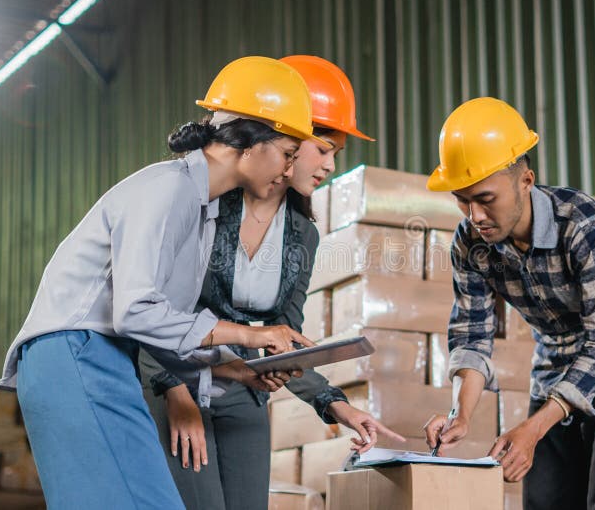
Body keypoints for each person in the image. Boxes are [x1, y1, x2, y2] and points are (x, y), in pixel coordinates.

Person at [0, 56, 325, 509]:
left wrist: (238, 370)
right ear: (253, 140)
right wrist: (252, 334)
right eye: (289, 153)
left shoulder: (202, 212)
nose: (289, 171)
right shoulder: (167, 189)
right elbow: (136, 311)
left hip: (106, 359)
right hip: (73, 354)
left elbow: (166, 330)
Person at [138, 55, 404, 510]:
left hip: (244, 392)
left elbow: (286, 337)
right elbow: (151, 307)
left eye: (335, 155)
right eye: (322, 148)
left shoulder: (303, 234)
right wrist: (176, 394)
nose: (328, 167)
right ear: (286, 136)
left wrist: (339, 408)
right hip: (174, 382)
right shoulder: (206, 202)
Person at [422, 97, 595, 510]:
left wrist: (533, 429)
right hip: (555, 362)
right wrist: (460, 413)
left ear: (525, 181)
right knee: (546, 502)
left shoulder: (585, 224)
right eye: (462, 200)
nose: (475, 215)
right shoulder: (469, 244)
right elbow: (471, 334)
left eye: (485, 198)